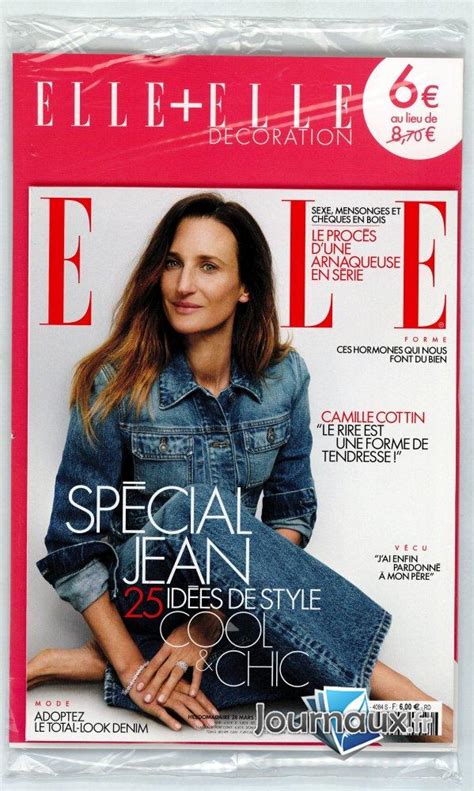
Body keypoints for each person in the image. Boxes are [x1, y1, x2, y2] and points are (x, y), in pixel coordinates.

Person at [28, 193, 452, 741]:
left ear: (245, 286)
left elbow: (290, 514)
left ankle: (91, 662)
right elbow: (73, 547)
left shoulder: (284, 378)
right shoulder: (115, 383)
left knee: (290, 652)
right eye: (175, 263)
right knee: (200, 510)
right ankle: (407, 697)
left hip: (236, 608)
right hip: (146, 592)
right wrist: (133, 670)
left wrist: (207, 626)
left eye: (208, 267)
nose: (184, 285)